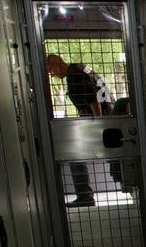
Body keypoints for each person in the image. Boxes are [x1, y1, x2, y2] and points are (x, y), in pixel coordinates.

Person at [46, 53, 113, 207]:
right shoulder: (80, 67)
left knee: (74, 154)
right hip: (107, 114)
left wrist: (98, 125)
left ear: (57, 65)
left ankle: (85, 196)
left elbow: (92, 99)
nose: (52, 76)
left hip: (99, 119)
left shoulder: (74, 75)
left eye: (51, 72)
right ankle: (85, 195)